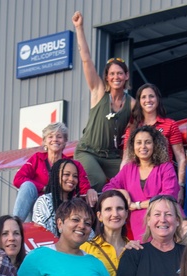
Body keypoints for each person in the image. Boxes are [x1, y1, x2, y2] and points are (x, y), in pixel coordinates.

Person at [72, 11, 132, 190]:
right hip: (88, 151)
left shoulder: (133, 103)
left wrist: (126, 161)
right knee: (97, 180)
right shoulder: (98, 91)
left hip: (112, 156)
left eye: (120, 73)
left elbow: (134, 134)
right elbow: (86, 60)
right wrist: (79, 28)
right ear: (106, 77)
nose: (116, 77)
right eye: (112, 73)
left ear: (126, 75)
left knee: (129, 178)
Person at [104, 125, 179, 241]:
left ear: (155, 145)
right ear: (133, 146)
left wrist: (137, 205)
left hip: (163, 225)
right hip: (136, 228)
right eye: (138, 142)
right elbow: (107, 189)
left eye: (147, 142)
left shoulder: (166, 167)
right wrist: (121, 191)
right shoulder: (128, 169)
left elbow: (168, 197)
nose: (143, 146)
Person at [12, 121, 96, 221]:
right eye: (50, 136)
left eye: (59, 137)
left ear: (65, 141)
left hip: (62, 209)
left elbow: (84, 188)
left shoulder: (73, 165)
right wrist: (43, 188)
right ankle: (16, 224)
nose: (55, 139)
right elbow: (18, 179)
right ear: (44, 141)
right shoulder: (37, 159)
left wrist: (90, 190)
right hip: (36, 208)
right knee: (27, 186)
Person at [121, 83, 186, 190]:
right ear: (139, 102)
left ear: (158, 99)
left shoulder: (170, 124)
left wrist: (180, 186)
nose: (148, 100)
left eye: (151, 96)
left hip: (164, 179)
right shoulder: (132, 129)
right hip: (138, 182)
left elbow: (181, 158)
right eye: (143, 97)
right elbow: (126, 159)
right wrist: (122, 186)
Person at [81, 189, 139, 276]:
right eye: (108, 209)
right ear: (99, 216)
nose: (115, 214)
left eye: (119, 208)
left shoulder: (135, 248)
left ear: (126, 214)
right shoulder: (85, 249)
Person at [32, 158, 82, 236]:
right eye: (66, 174)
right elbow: (42, 235)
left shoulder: (78, 205)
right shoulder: (44, 202)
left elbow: (89, 235)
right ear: (56, 176)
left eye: (75, 176)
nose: (71, 179)